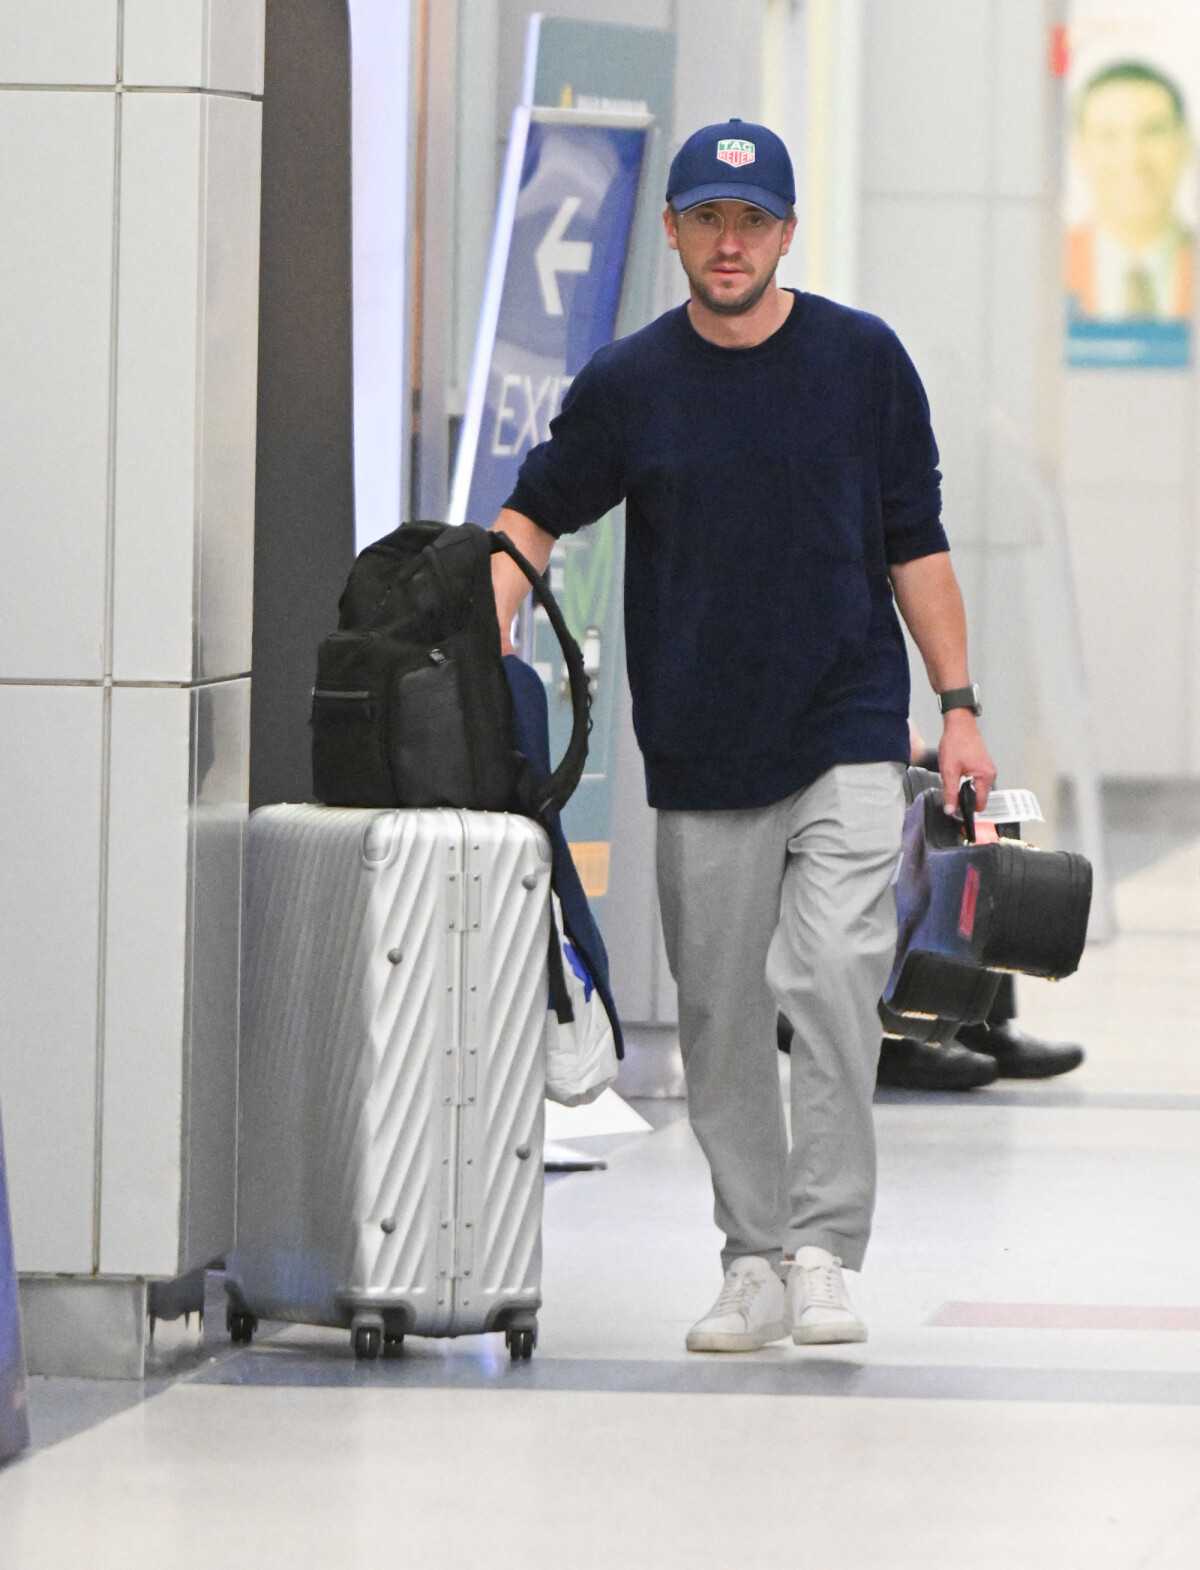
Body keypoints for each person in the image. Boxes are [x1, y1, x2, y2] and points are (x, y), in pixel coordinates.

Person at [489, 119, 995, 1352]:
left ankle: (823, 1248)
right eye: (708, 220)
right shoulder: (632, 383)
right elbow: (532, 515)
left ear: (786, 233)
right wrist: (482, 640)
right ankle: (752, 1257)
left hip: (850, 722)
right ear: (670, 229)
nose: (730, 242)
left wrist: (961, 705)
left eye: (752, 220)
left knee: (827, 979)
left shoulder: (863, 363)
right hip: (705, 738)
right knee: (717, 1013)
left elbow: (913, 542)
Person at [1067, 60, 1194, 322]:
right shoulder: (1042, 267)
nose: (1133, 159)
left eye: (1153, 132)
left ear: (1186, 145)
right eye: (1109, 136)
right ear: (1079, 151)